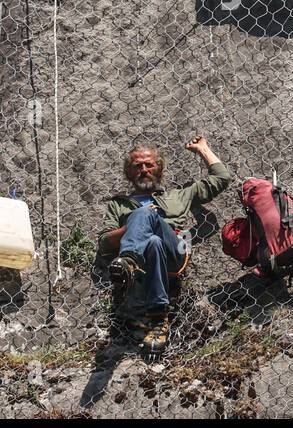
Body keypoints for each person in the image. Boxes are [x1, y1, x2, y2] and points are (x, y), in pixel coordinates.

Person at [98, 135, 231, 325]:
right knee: (152, 240)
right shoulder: (119, 205)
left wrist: (203, 149)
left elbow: (221, 178)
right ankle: (158, 318)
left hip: (174, 254)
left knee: (146, 216)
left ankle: (129, 260)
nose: (144, 170)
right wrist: (131, 227)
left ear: (159, 170)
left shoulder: (178, 196)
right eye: (137, 166)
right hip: (149, 255)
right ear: (129, 173)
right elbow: (104, 244)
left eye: (149, 165)